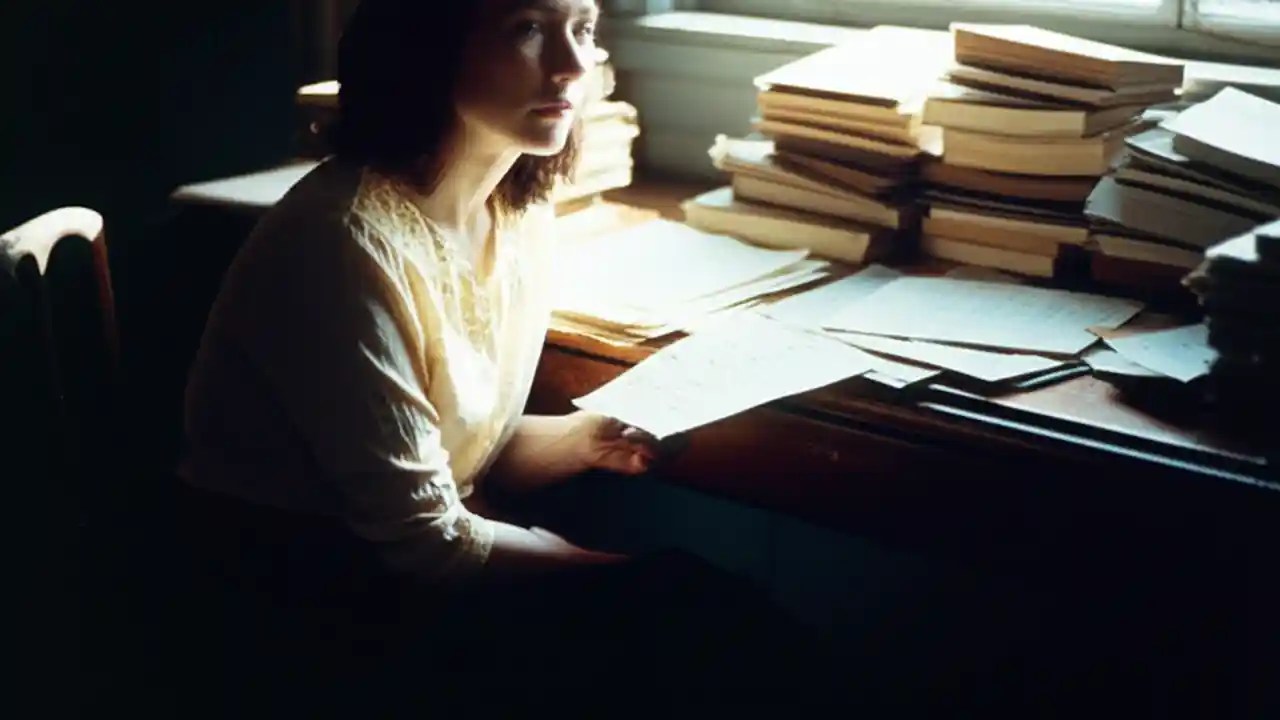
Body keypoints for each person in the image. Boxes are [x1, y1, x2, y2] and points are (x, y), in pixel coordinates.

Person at [175, 0, 843, 707]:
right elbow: (422, 539)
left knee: (726, 630)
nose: (574, 64)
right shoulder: (342, 242)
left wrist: (582, 439)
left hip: (412, 560)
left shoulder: (517, 209)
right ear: (428, 48)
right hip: (304, 595)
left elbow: (452, 447)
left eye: (582, 28)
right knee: (711, 619)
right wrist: (600, 567)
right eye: (528, 29)